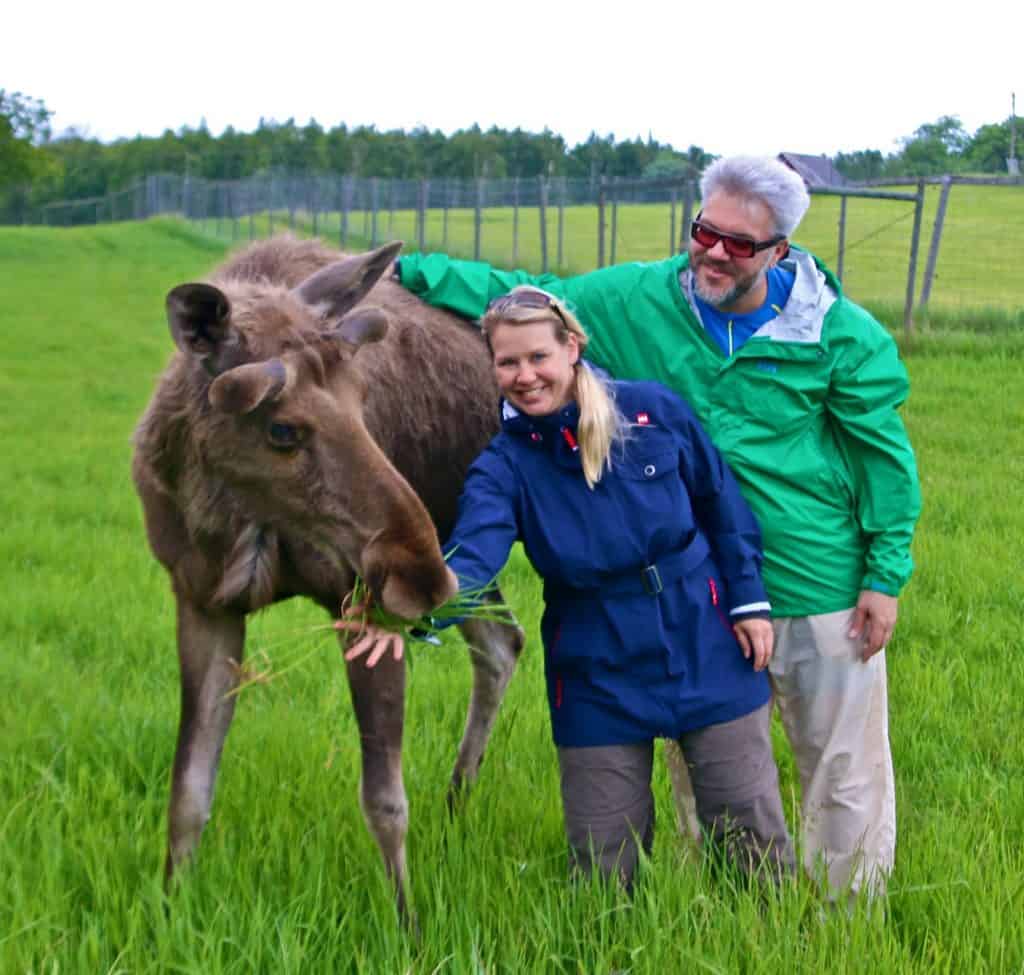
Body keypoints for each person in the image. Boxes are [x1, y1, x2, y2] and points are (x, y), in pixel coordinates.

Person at [390, 156, 922, 905]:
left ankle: (844, 922)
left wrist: (883, 575)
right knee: (714, 776)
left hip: (818, 582)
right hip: (700, 594)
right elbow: (525, 304)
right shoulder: (639, 299)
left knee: (841, 769)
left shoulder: (839, 333)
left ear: (778, 252)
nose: (713, 251)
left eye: (739, 244)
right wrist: (402, 270)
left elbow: (884, 461)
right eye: (705, 231)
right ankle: (735, 915)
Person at [339, 286, 795, 890]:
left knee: (750, 841)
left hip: (701, 635)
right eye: (507, 362)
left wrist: (749, 602)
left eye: (538, 358)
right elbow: (473, 556)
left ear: (572, 347)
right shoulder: (503, 466)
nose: (524, 376)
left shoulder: (654, 411)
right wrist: (409, 607)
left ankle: (766, 943)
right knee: (603, 859)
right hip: (594, 664)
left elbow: (722, 505)